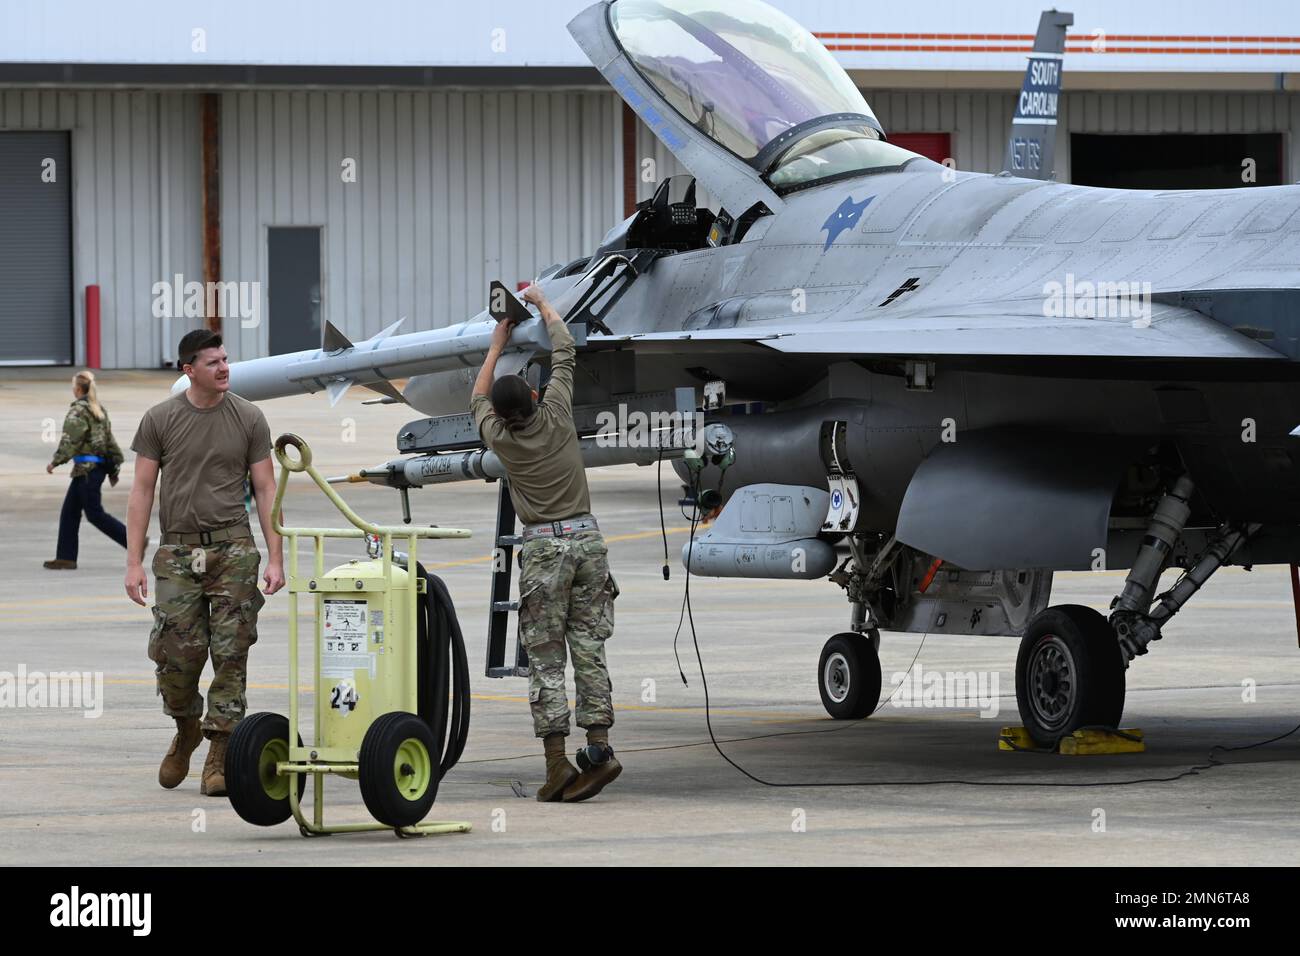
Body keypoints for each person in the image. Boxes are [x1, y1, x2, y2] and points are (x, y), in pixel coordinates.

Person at [470, 285, 621, 803]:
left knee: (546, 658)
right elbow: (565, 351)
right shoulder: (556, 413)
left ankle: (557, 765)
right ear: (534, 398)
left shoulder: (500, 438)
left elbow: (477, 396)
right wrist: (542, 303)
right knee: (589, 648)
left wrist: (496, 344)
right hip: (588, 542)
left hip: (543, 551)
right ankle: (599, 749)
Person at [124, 330, 285, 796]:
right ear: (188, 370)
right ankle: (186, 727)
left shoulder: (250, 418)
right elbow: (141, 491)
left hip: (234, 549)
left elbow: (266, 489)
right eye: (212, 362)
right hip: (176, 553)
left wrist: (275, 556)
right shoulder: (159, 420)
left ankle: (220, 749)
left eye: (226, 359)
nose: (223, 368)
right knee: (175, 658)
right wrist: (133, 562)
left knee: (231, 652)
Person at [44, 371, 128, 569]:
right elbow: (110, 442)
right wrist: (115, 466)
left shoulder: (78, 411)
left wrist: (55, 462)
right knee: (70, 513)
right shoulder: (98, 409)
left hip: (87, 470)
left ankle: (133, 542)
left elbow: (70, 441)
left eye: (73, 386)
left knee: (95, 514)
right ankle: (66, 557)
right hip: (92, 470)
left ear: (78, 389)